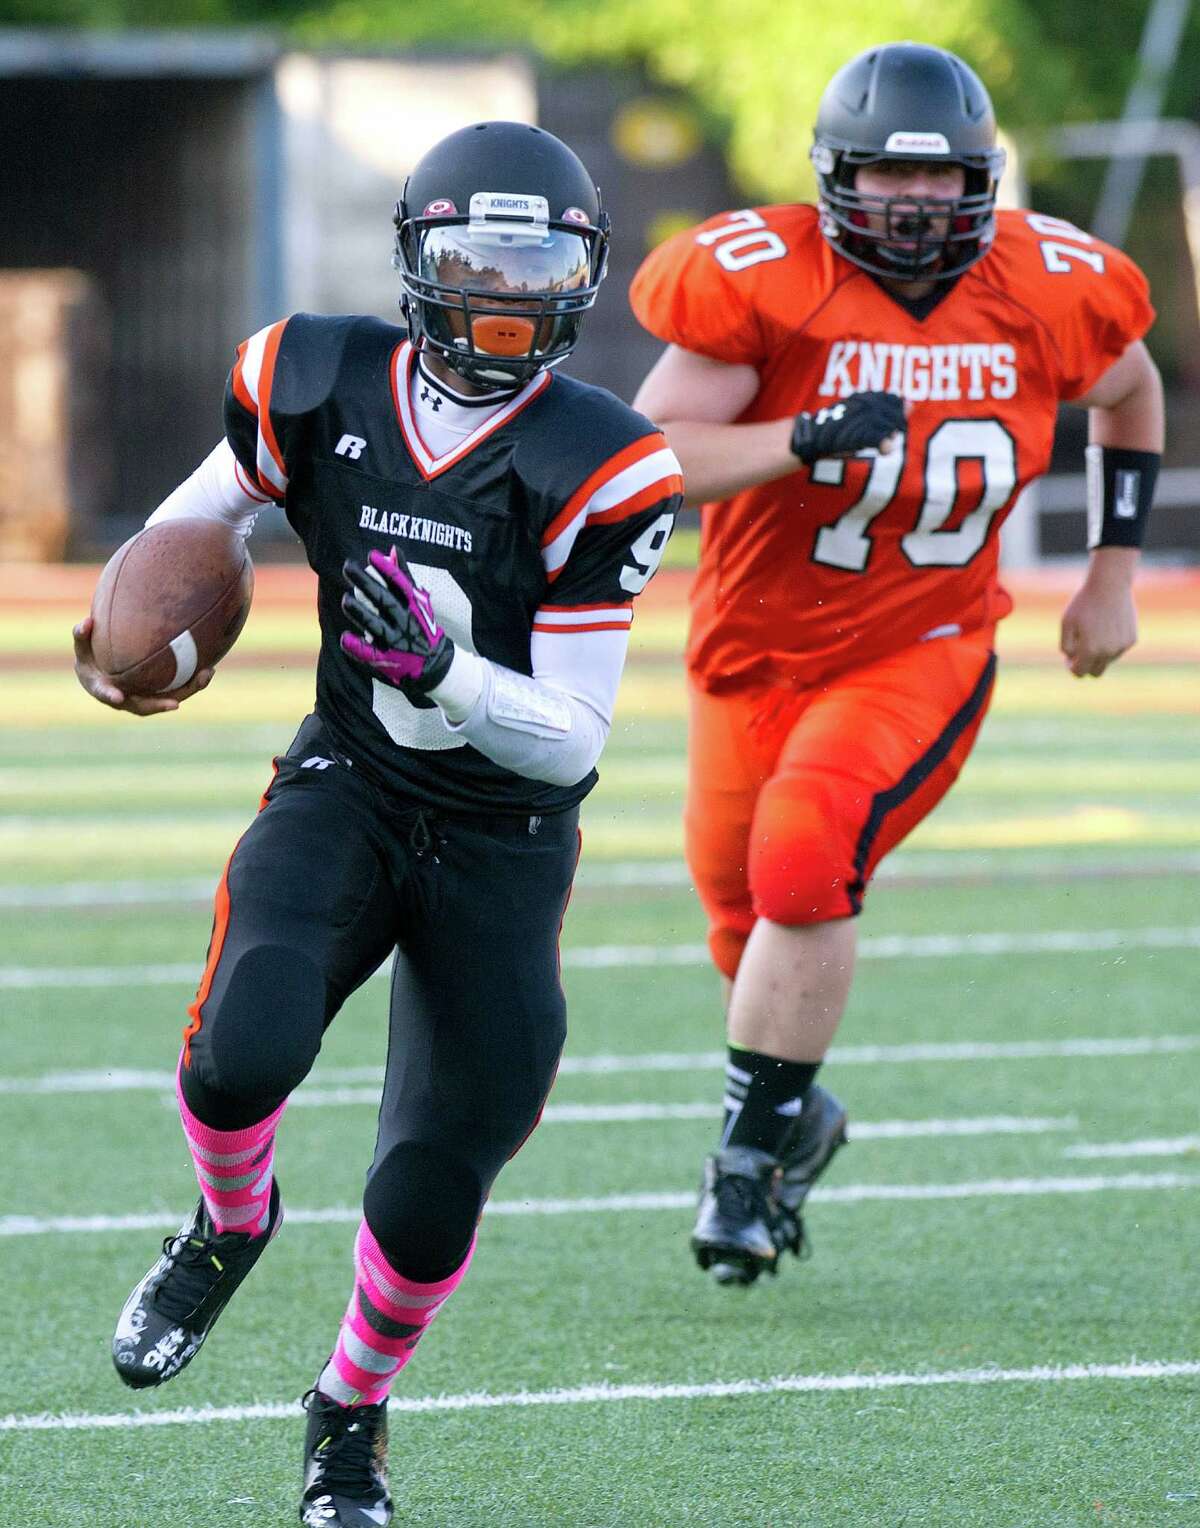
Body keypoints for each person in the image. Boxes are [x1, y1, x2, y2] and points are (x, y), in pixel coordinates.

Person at [73, 121, 681, 1527]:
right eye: (482, 258)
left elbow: (575, 736)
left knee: (430, 1182)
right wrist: (135, 634)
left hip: (505, 839)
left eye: (539, 265)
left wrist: (449, 673)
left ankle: (347, 1409)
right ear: (418, 256)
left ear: (583, 277)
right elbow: (198, 522)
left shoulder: (602, 459)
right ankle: (228, 1226)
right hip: (349, 778)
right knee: (242, 1048)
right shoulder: (313, 377)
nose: (507, 293)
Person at [628, 41, 1162, 1286]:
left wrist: (1113, 571)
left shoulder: (1050, 285)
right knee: (741, 917)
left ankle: (745, 1169)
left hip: (919, 646)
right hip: (749, 651)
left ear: (983, 181)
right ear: (837, 175)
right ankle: (797, 1109)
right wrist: (798, 439)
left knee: (806, 857)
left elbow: (1131, 392)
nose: (915, 202)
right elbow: (649, 452)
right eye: (887, 175)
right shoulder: (766, 278)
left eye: (940, 178)